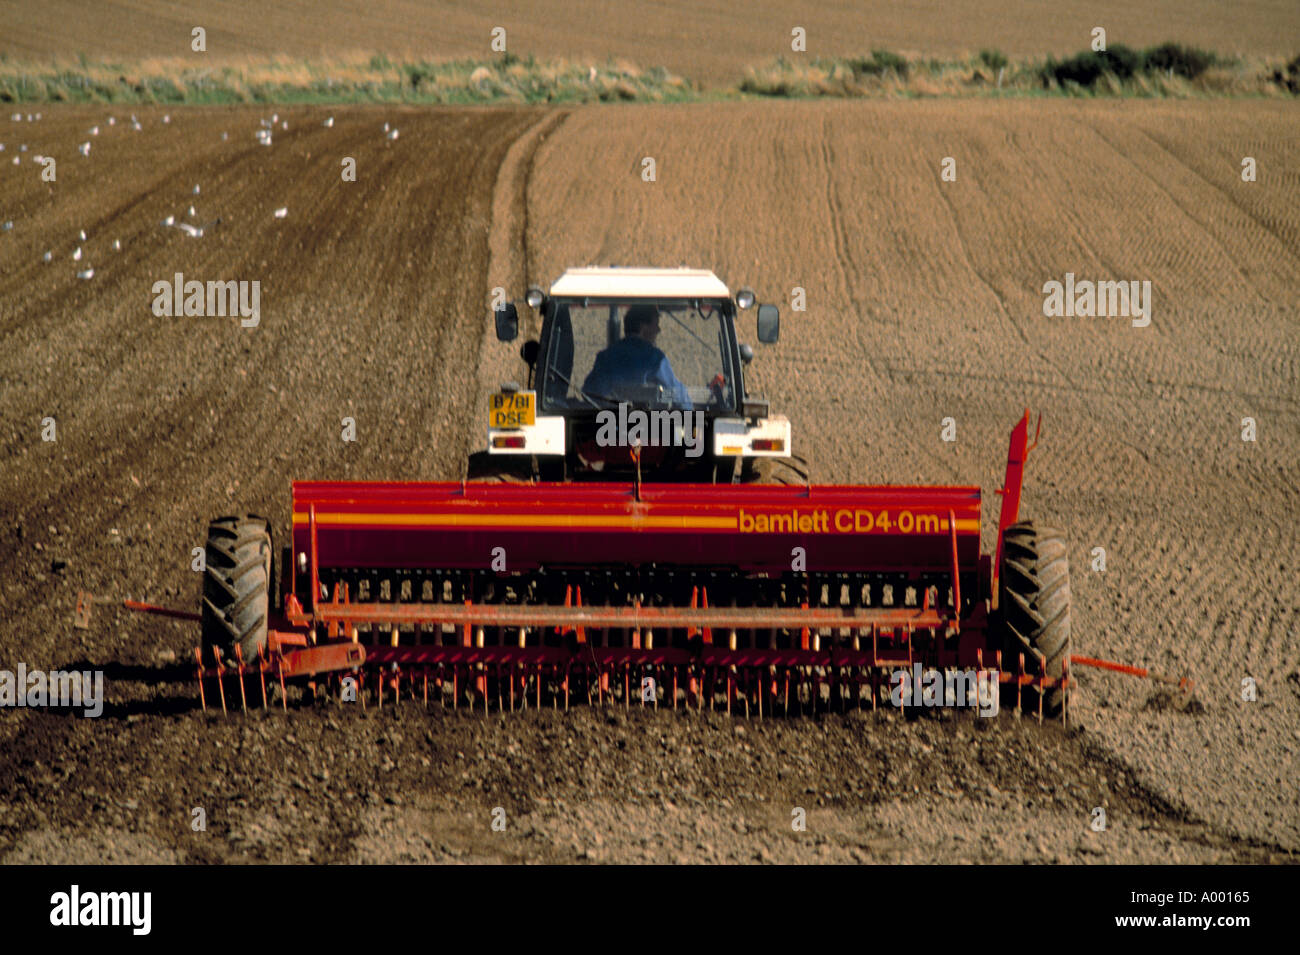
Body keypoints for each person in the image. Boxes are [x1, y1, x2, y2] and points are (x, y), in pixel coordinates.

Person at [582, 304, 691, 407]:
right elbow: (678, 395)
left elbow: (589, 393)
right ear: (643, 327)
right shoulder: (656, 359)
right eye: (656, 324)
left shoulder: (604, 357)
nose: (658, 330)